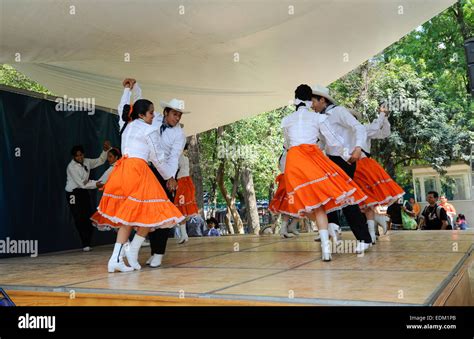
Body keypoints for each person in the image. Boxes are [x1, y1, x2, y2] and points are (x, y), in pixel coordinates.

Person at [95, 97, 184, 273]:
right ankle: (126, 254)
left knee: (129, 217)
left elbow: (123, 108)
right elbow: (157, 159)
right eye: (151, 113)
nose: (153, 116)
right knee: (151, 212)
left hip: (123, 171)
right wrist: (169, 177)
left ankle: (117, 258)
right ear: (142, 114)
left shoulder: (127, 125)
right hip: (138, 171)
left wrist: (128, 90)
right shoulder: (149, 130)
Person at [278, 84, 368, 261]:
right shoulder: (317, 118)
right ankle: (326, 248)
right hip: (313, 157)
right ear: (310, 100)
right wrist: (346, 154)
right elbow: (333, 140)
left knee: (304, 203)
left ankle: (329, 232)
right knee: (320, 203)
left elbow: (288, 144)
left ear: (295, 100)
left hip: (295, 159)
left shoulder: (286, 120)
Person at [311, 85, 372, 252]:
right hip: (331, 160)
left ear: (322, 100)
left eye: (313, 101)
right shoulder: (320, 119)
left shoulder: (339, 111)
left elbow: (358, 127)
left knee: (346, 200)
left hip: (346, 160)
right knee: (326, 194)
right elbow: (323, 142)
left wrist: (358, 147)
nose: (311, 105)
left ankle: (364, 238)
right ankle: (334, 225)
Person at [350, 105, 405, 243]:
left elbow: (383, 132)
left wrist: (384, 116)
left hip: (363, 166)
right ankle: (375, 226)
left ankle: (372, 234)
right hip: (350, 168)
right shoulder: (341, 133)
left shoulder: (362, 129)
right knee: (362, 203)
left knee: (367, 202)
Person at [65, 141, 111, 251]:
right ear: (74, 157)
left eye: (81, 154)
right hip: (73, 194)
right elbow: (81, 184)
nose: (80, 157)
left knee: (89, 215)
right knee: (78, 217)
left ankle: (88, 241)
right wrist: (96, 184)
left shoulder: (87, 162)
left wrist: (105, 151)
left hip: (83, 191)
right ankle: (85, 243)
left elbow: (100, 160)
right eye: (77, 155)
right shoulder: (71, 167)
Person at [268, 147, 301, 238]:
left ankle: (290, 226)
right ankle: (286, 227)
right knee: (292, 204)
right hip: (290, 182)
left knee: (297, 204)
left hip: (291, 181)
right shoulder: (288, 154)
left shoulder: (287, 154)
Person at [90, 147, 122, 231]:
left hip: (117, 199)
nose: (108, 159)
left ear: (116, 157)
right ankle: (124, 242)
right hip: (119, 199)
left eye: (110, 156)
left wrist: (89, 184)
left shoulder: (113, 169)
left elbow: (100, 182)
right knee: (119, 222)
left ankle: (124, 242)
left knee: (118, 222)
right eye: (108, 156)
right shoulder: (121, 167)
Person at [174, 145, 199, 244]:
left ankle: (184, 234)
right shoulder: (185, 158)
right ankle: (184, 234)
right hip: (187, 182)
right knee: (183, 210)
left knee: (181, 210)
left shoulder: (178, 158)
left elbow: (175, 170)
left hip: (182, 183)